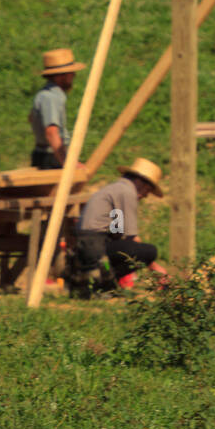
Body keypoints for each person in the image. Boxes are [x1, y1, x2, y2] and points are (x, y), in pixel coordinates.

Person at [73, 157, 168, 293]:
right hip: (95, 243)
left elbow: (116, 231)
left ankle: (104, 279)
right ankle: (104, 280)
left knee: (126, 250)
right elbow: (132, 238)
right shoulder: (127, 192)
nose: (146, 196)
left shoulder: (116, 188)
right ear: (140, 182)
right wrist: (155, 268)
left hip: (89, 243)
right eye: (148, 190)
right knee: (149, 251)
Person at [29, 47, 86, 169]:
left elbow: (31, 118)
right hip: (50, 158)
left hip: (51, 155)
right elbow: (51, 132)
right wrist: (66, 163)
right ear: (60, 76)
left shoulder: (45, 94)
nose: (74, 76)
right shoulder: (51, 97)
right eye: (71, 73)